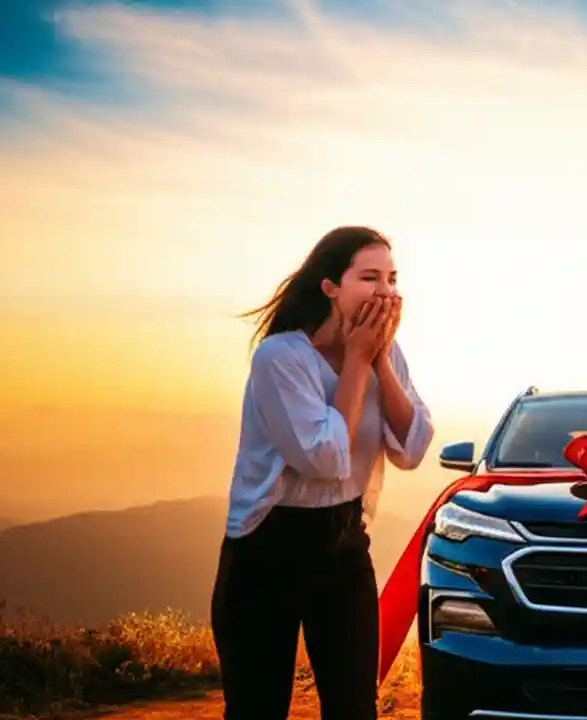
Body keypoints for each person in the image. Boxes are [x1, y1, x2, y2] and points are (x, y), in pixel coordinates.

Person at [211, 225, 435, 720]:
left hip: (344, 542)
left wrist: (378, 360)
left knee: (355, 707)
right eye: (370, 277)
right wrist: (357, 361)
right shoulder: (281, 358)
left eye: (393, 279)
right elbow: (326, 459)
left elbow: (413, 444)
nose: (387, 292)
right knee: (257, 707)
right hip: (267, 549)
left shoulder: (386, 352)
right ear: (331, 286)